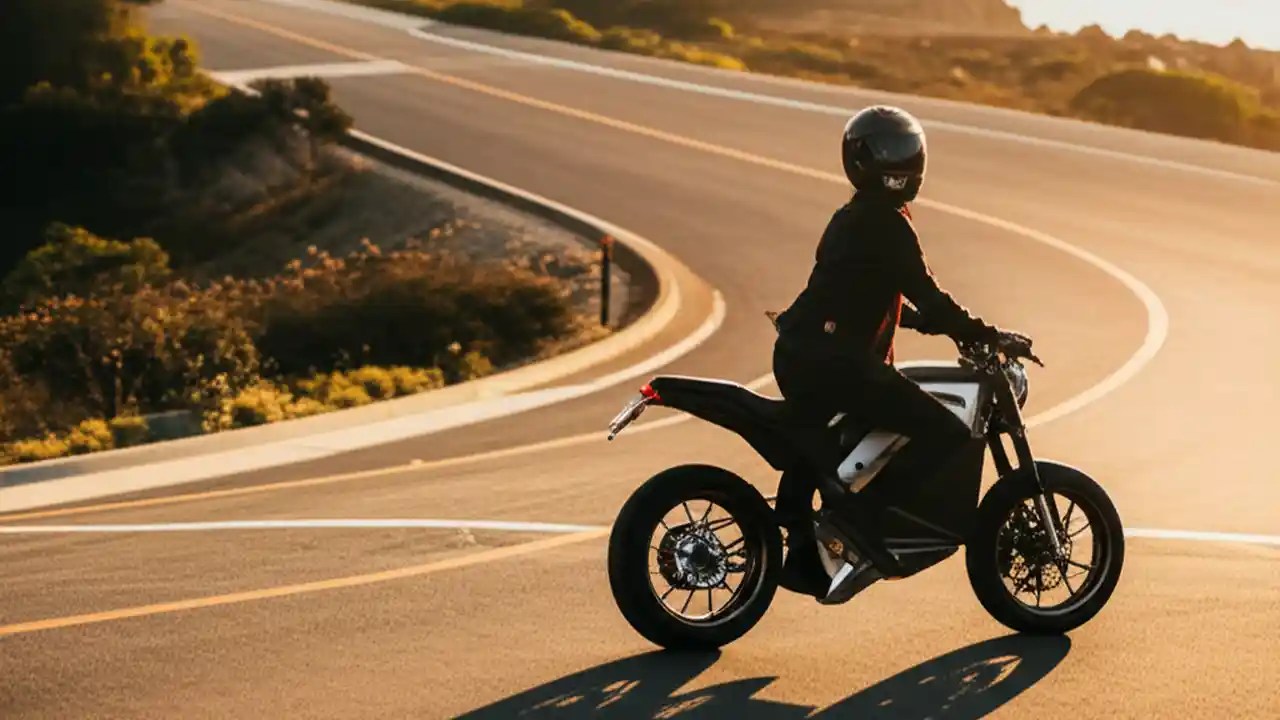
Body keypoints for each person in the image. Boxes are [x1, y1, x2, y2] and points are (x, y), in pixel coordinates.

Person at [770, 105, 1031, 599]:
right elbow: (926, 293)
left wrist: (939, 327)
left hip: (802, 354)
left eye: (902, 150)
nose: (897, 161)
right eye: (888, 151)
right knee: (944, 432)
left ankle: (808, 544)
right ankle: (865, 530)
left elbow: (866, 295)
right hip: (839, 364)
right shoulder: (889, 224)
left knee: (826, 442)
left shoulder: (849, 217)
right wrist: (986, 334)